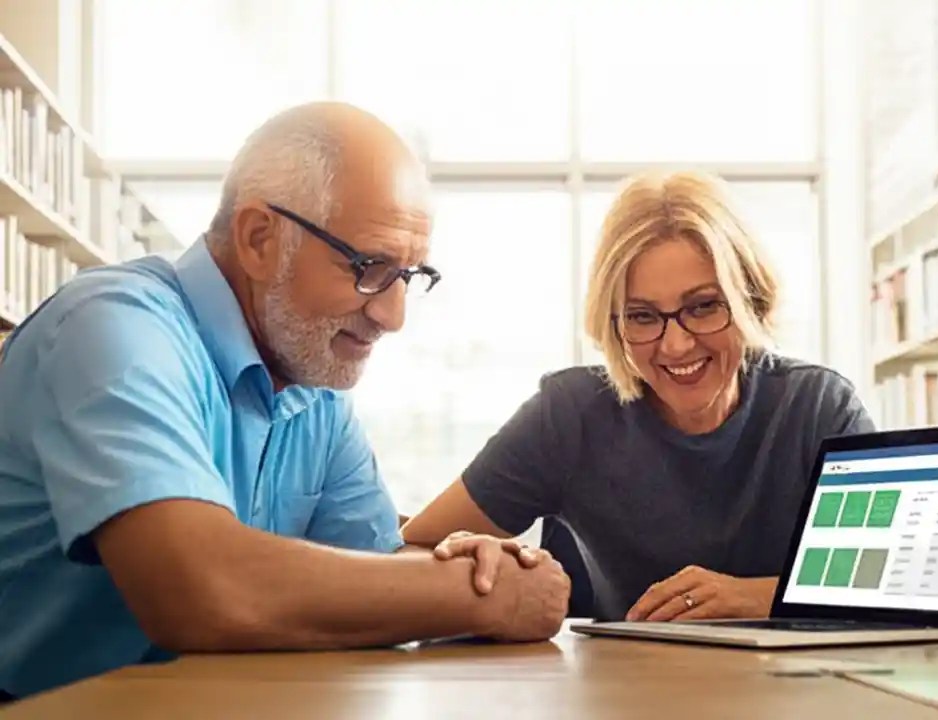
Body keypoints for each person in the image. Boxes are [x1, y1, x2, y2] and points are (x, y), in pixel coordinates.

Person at [0, 102, 569, 700]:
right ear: (258, 238)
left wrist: (464, 567)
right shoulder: (112, 329)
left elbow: (375, 575)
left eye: (408, 276)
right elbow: (201, 590)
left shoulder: (313, 385)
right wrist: (476, 595)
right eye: (370, 267)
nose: (393, 315)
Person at [401, 170, 875, 622]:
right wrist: (476, 565)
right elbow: (411, 550)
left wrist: (757, 597)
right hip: (623, 694)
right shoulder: (570, 414)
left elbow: (891, 581)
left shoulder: (817, 407)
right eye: (643, 317)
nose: (675, 345)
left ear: (750, 297)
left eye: (704, 306)